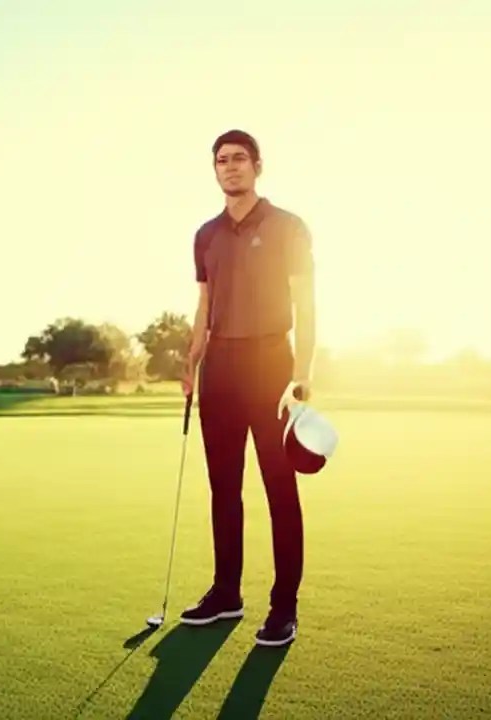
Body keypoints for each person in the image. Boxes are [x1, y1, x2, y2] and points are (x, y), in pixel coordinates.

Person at [177, 129, 317, 647]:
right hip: (221, 366)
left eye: (239, 159)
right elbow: (204, 304)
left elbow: (307, 305)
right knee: (223, 488)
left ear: (258, 166)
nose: (230, 167)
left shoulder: (289, 227)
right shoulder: (205, 235)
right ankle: (226, 593)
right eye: (221, 160)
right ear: (214, 171)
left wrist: (302, 375)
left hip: (271, 363)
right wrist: (193, 356)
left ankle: (284, 607)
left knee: (281, 489)